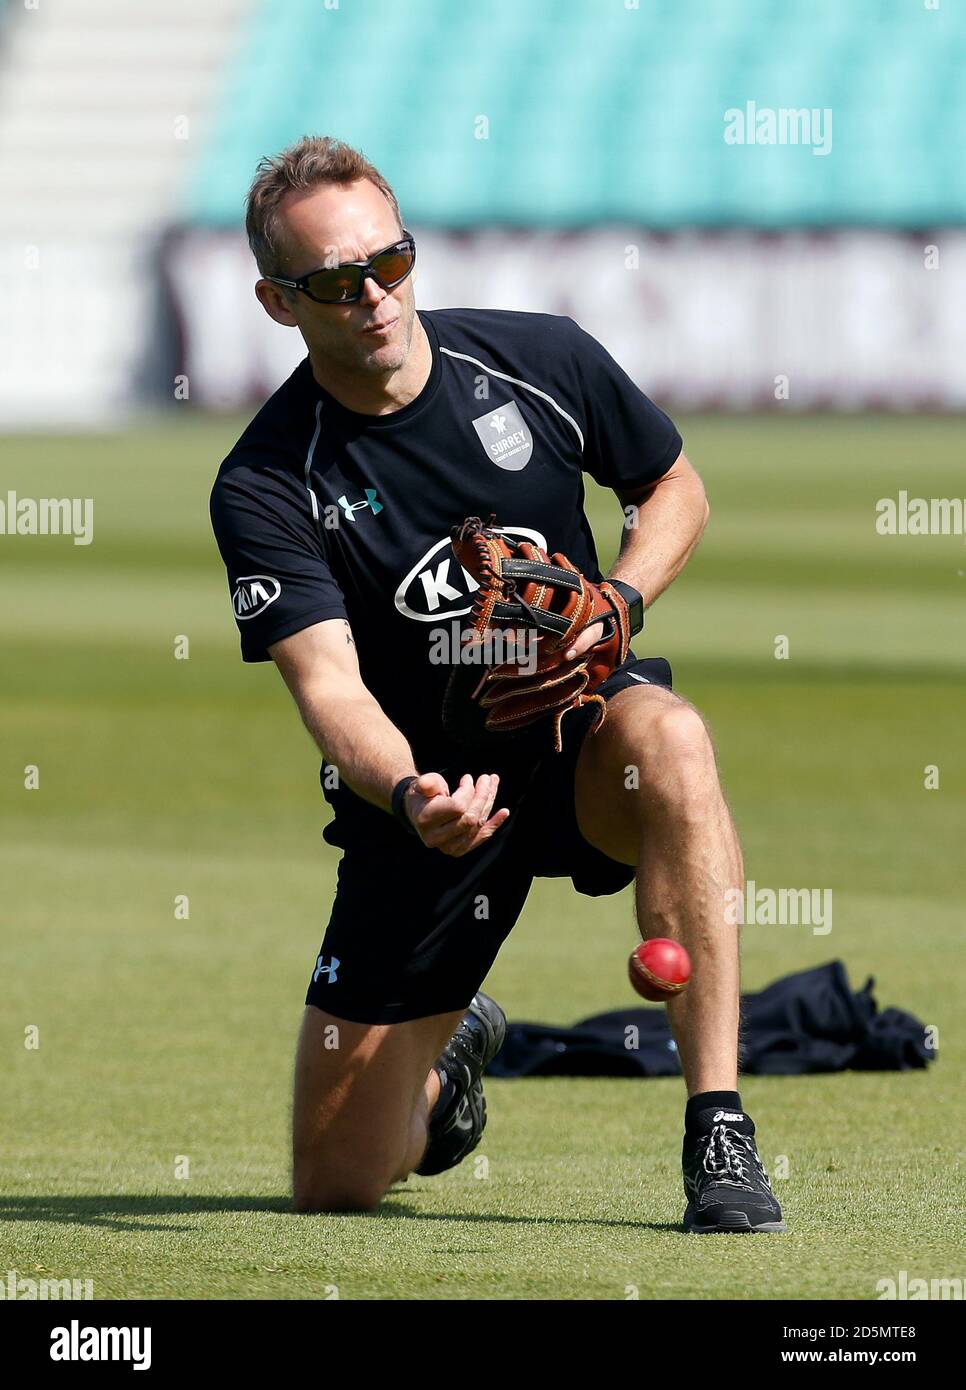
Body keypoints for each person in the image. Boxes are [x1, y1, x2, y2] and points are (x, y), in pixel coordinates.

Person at [209, 135, 785, 1234]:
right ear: (279, 303)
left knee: (674, 738)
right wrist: (408, 792)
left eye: (391, 263)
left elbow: (674, 487)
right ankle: (452, 1058)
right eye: (335, 282)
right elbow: (328, 685)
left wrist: (618, 601)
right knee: (336, 1184)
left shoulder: (541, 361)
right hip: (427, 805)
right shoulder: (268, 481)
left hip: (581, 741)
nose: (373, 297)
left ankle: (718, 1127)